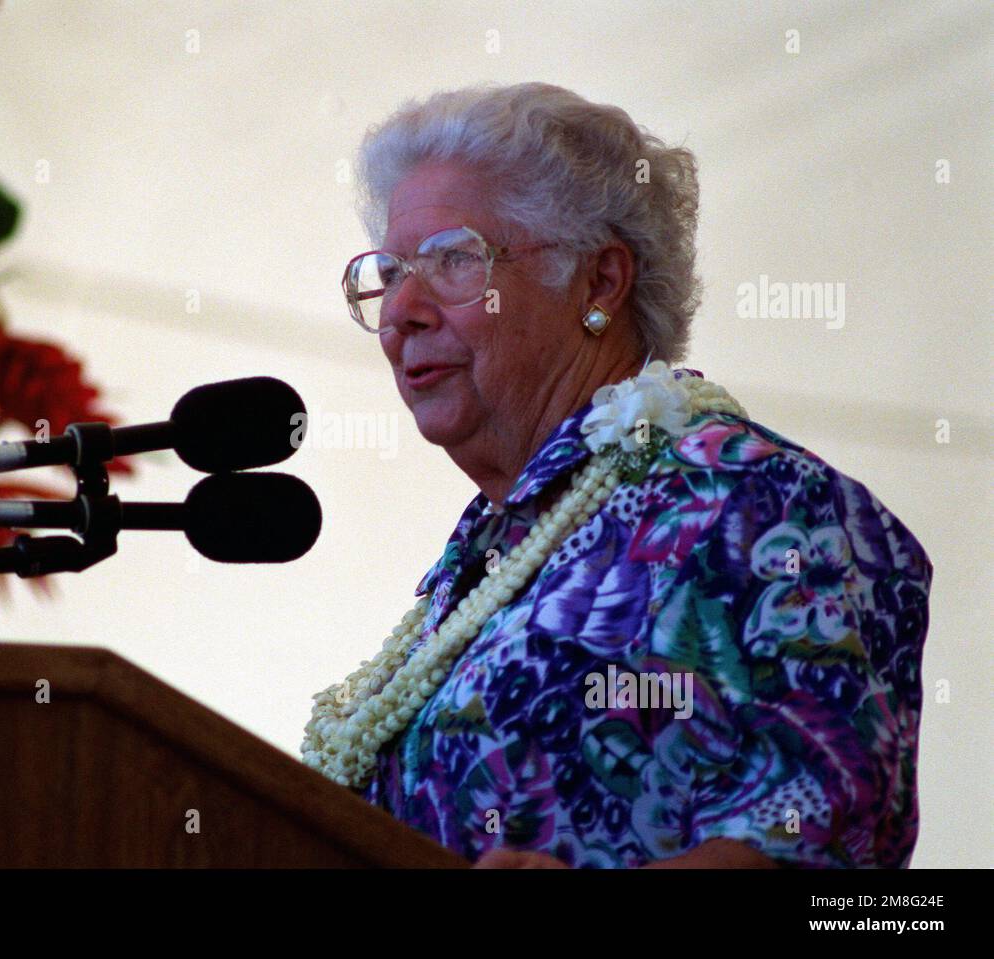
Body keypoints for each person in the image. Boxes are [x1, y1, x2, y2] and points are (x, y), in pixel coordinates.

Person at [301, 81, 933, 869]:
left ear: (600, 283)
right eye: (389, 272)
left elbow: (831, 854)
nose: (400, 311)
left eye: (453, 259)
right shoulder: (494, 553)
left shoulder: (752, 503)